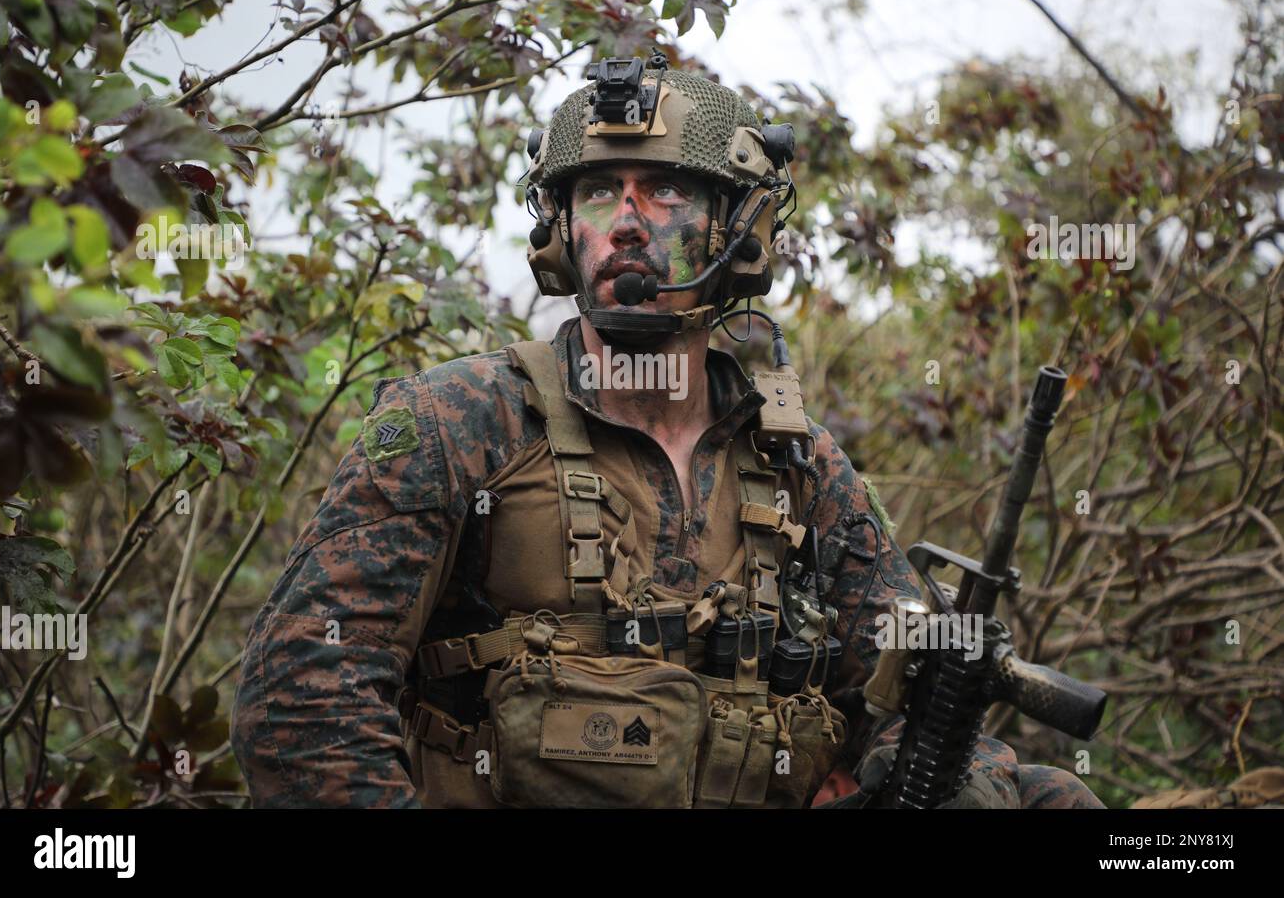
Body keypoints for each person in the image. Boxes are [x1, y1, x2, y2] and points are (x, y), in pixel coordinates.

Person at [230, 53, 1102, 809]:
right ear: (561, 232)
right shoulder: (459, 422)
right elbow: (303, 694)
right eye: (599, 191)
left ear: (739, 230)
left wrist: (940, 767)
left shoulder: (795, 457)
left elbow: (901, 683)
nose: (627, 221)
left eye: (668, 191)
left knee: (1042, 796)